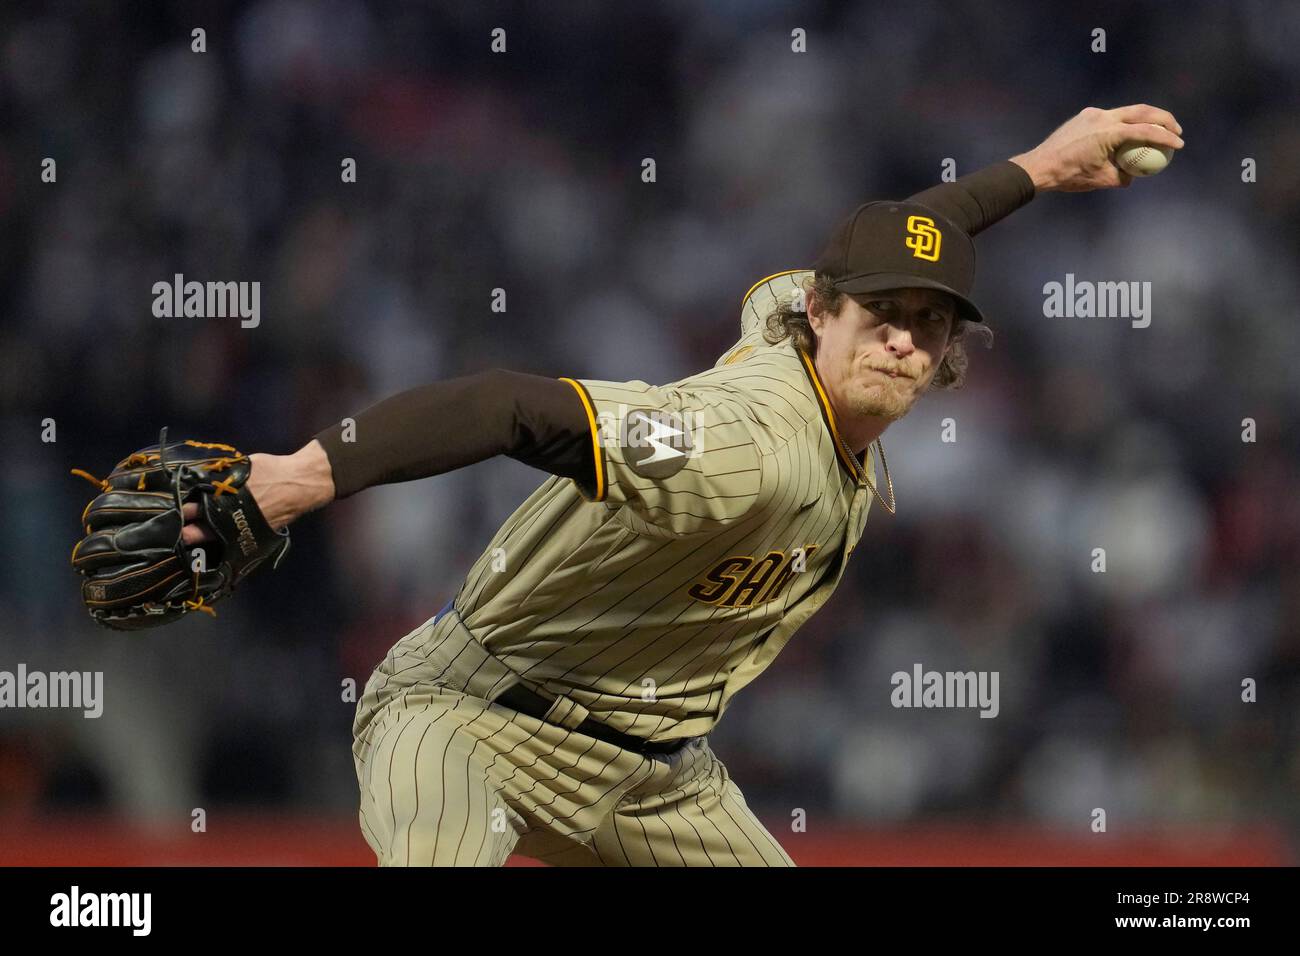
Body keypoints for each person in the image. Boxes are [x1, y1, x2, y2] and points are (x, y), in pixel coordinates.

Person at [183, 105, 1182, 866]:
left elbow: (907, 239)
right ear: (823, 313)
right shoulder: (746, 443)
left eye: (928, 323)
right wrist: (299, 477)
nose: (902, 339)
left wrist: (1038, 169)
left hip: (657, 777)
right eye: (882, 314)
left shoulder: (790, 324)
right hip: (467, 717)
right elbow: (508, 406)